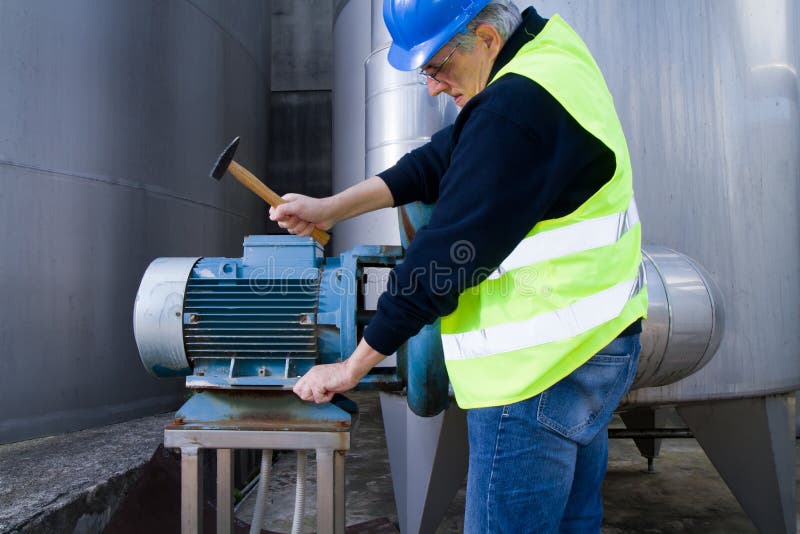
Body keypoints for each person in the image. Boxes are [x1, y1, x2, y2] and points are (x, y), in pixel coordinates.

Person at [270, 1, 648, 531]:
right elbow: (443, 155)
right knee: (572, 522)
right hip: (597, 344)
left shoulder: (514, 109)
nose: (432, 87)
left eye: (438, 66)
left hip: (534, 374)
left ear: (488, 38)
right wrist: (330, 207)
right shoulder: (546, 53)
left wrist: (352, 365)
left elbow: (445, 257)